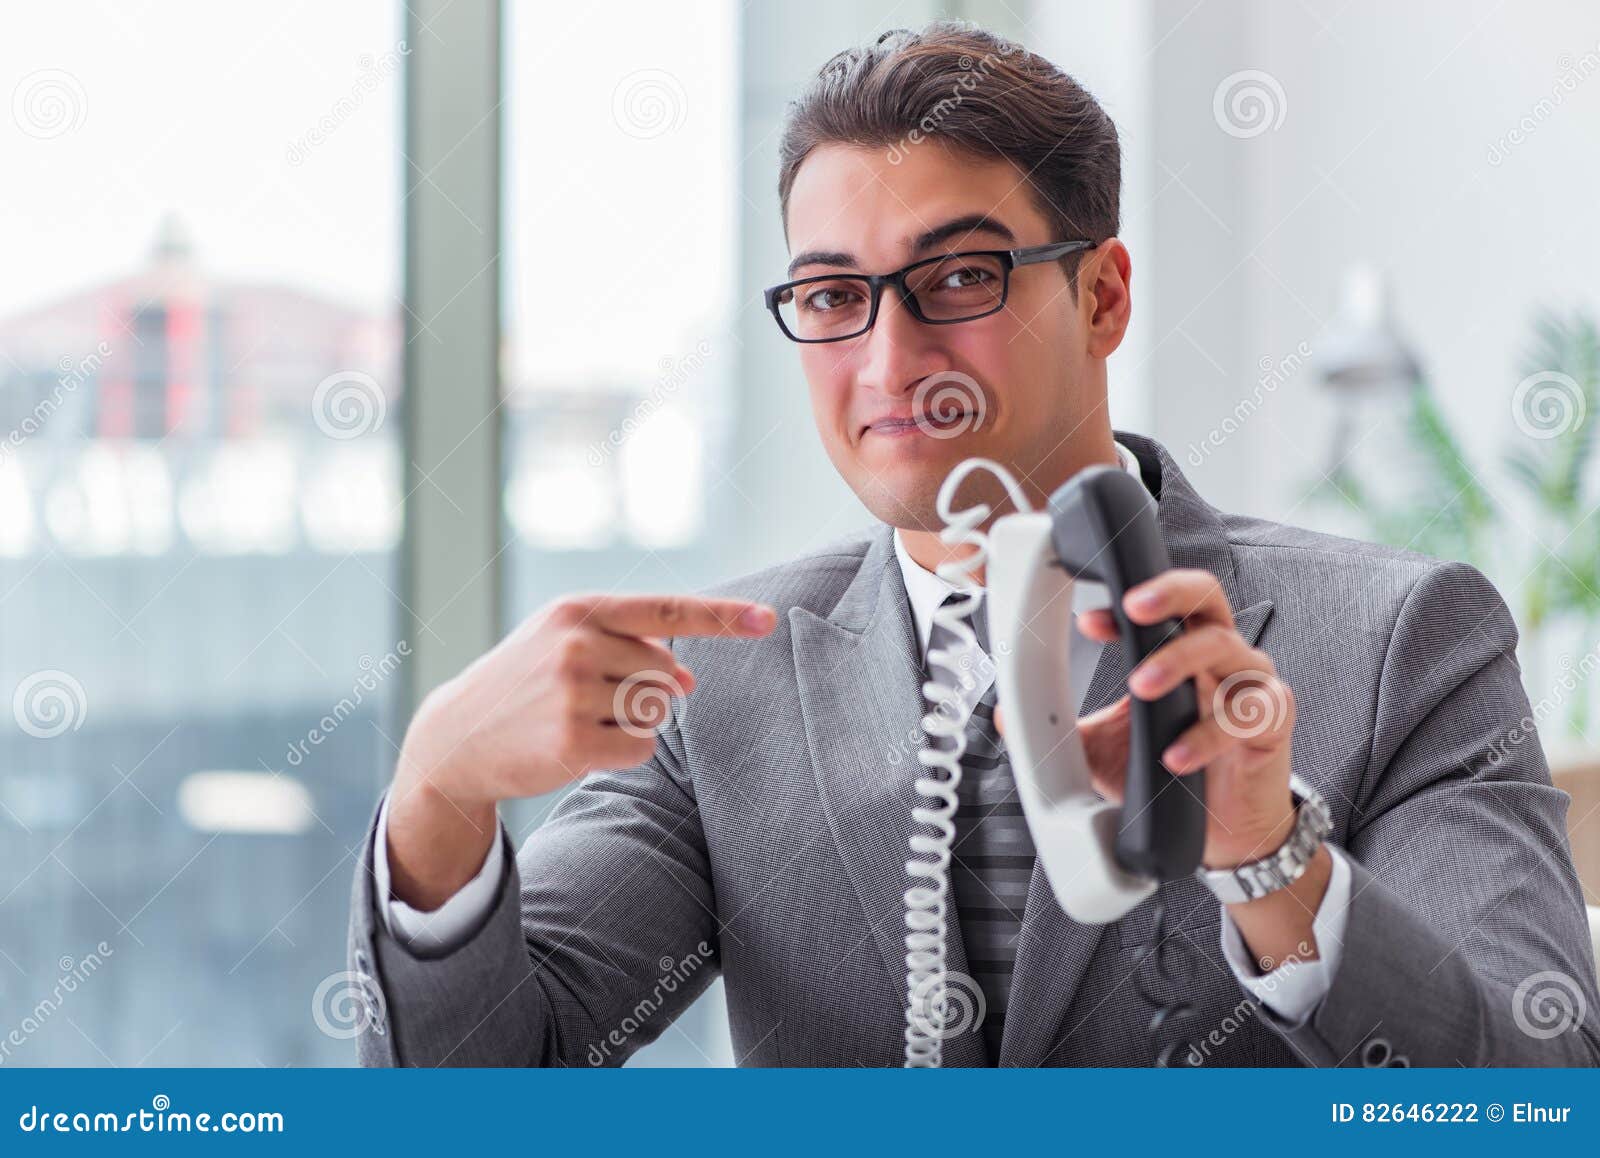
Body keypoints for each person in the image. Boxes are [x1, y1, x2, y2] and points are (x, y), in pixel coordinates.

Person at [347, 21, 1600, 1067]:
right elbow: (482, 1087)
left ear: (1101, 296)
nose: (889, 361)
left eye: (957, 279)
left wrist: (1270, 863)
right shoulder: (718, 684)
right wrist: (438, 794)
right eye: (832, 296)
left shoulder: (1396, 641)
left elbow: (1535, 1098)